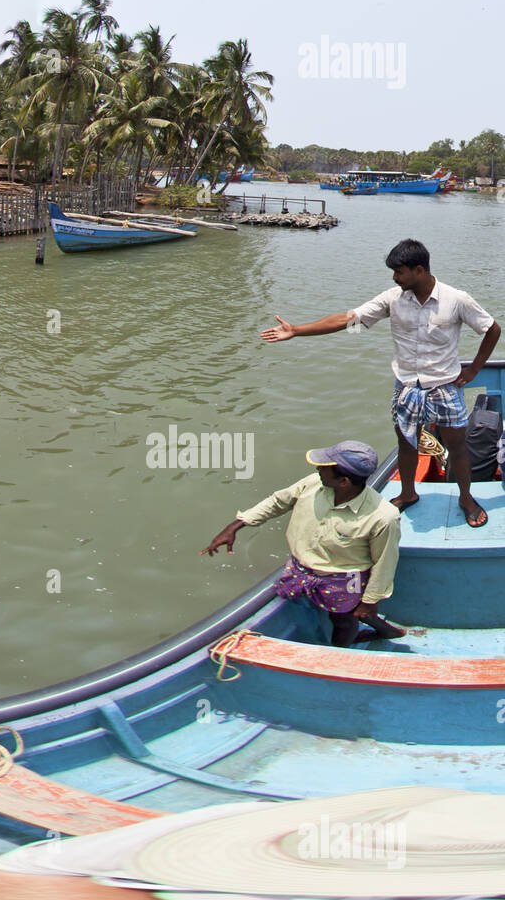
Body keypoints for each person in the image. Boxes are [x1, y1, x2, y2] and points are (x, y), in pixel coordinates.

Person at [262, 239, 501, 526]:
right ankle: (409, 493)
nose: (394, 278)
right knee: (406, 444)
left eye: (399, 272)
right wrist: (297, 330)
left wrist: (474, 369)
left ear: (419, 270)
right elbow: (348, 319)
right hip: (406, 388)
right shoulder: (392, 299)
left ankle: (465, 498)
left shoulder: (456, 299)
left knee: (458, 446)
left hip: (444, 387)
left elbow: (492, 328)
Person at [204, 441, 406, 647]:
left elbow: (384, 563)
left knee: (343, 621)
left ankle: (341, 652)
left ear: (344, 481)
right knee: (345, 613)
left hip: (343, 579)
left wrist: (370, 601)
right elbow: (277, 502)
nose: (318, 469)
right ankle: (382, 628)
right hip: (302, 567)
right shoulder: (312, 484)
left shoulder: (383, 517)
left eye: (324, 468)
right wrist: (236, 525)